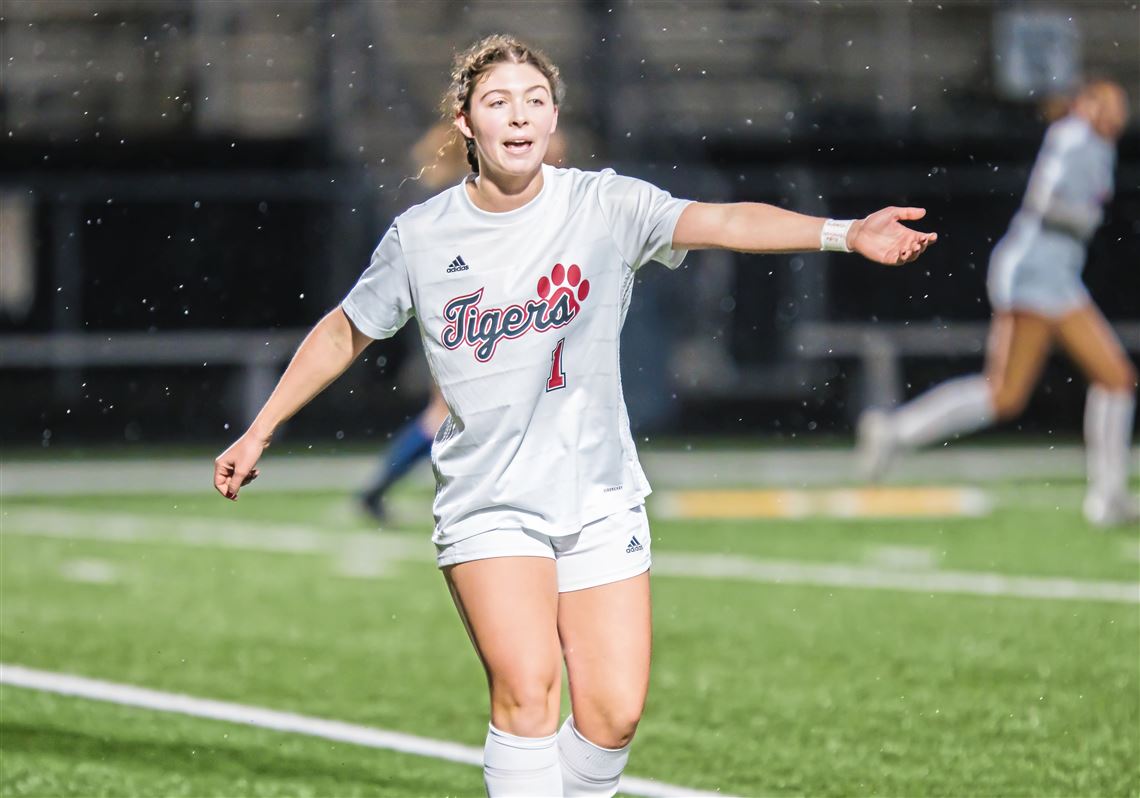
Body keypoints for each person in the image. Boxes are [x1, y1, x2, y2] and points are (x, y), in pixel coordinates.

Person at [213, 34, 936, 797]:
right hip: (489, 501)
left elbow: (722, 222)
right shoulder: (422, 236)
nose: (518, 117)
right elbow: (344, 329)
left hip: (597, 494)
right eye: (497, 102)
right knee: (528, 693)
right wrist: (261, 428)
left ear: (553, 116)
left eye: (534, 101)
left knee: (613, 715)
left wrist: (843, 233)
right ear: (465, 122)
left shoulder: (604, 205)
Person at [856, 80, 1136, 527]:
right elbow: (1048, 202)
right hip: (1037, 270)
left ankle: (1108, 498)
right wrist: (1082, 214)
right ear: (1087, 104)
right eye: (1108, 103)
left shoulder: (1096, 144)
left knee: (1111, 379)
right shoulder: (1074, 136)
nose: (1117, 113)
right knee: (1009, 393)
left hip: (1055, 273)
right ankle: (894, 432)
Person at [360, 121, 567, 523]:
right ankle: (384, 488)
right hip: (470, 318)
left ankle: (385, 488)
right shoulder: (466, 202)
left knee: (456, 410)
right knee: (444, 412)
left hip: (480, 315)